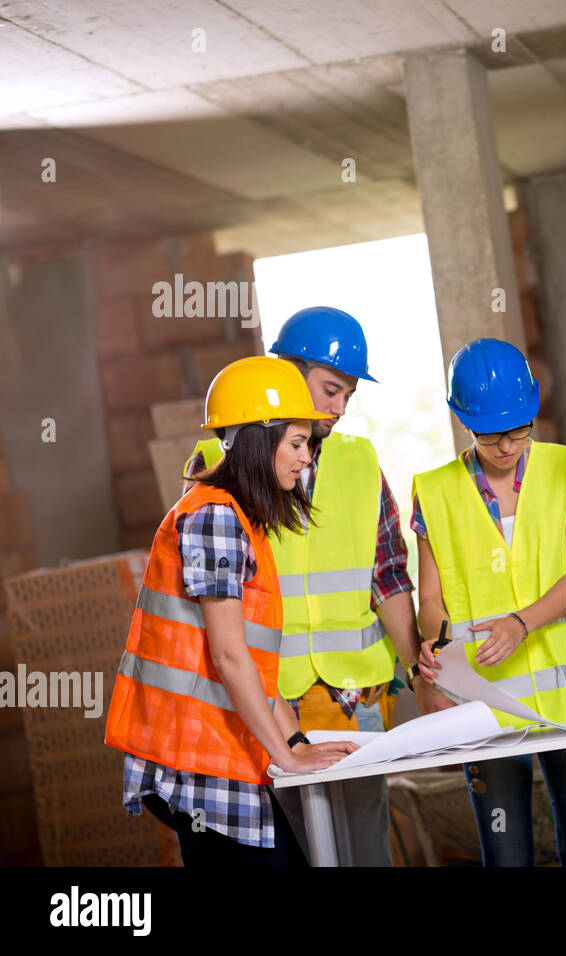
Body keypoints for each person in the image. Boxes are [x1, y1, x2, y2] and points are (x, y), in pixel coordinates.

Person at [184, 306, 421, 866]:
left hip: (354, 698)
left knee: (366, 854)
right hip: (271, 699)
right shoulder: (225, 463)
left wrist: (418, 669)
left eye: (348, 397)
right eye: (331, 390)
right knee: (301, 854)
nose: (338, 410)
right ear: (288, 373)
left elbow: (386, 577)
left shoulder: (360, 464)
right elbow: (213, 605)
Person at [105, 356, 357, 866]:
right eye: (296, 443)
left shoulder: (238, 516)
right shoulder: (216, 516)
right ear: (258, 440)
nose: (306, 458)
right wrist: (286, 754)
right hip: (194, 758)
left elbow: (254, 665)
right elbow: (227, 653)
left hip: (209, 751)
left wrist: (296, 740)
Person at [410, 337, 566, 867]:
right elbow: (429, 598)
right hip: (484, 700)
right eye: (491, 435)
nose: (507, 446)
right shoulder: (433, 492)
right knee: (505, 856)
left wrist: (521, 623)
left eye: (519, 430)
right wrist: (433, 642)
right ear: (463, 421)